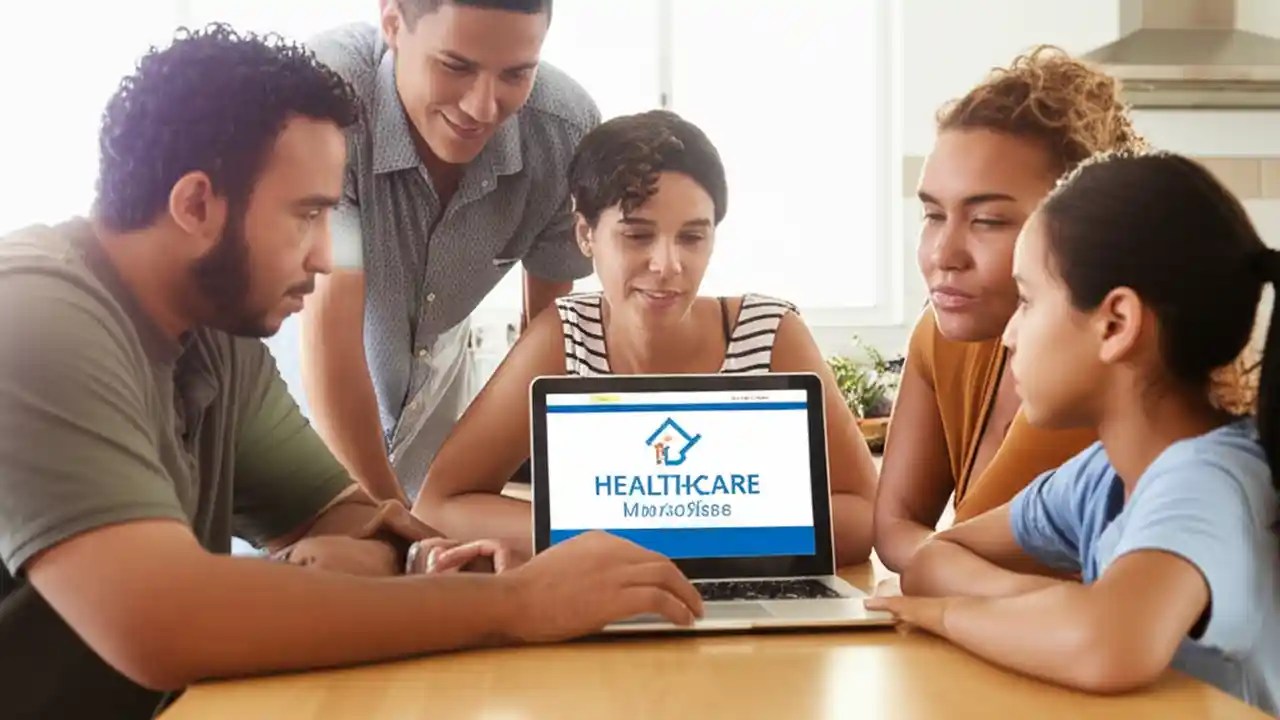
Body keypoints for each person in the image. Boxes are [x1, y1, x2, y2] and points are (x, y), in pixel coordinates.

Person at [0, 27, 699, 720]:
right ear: (195, 206)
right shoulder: (30, 317)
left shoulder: (213, 334)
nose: (324, 258)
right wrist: (515, 602)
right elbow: (159, 621)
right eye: (307, 216)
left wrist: (417, 563)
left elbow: (355, 523)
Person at [867, 151, 1280, 713]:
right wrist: (1055, 605)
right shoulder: (1102, 477)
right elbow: (932, 561)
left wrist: (945, 616)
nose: (1010, 334)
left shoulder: (1209, 479)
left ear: (1115, 324)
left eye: (1028, 302)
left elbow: (1107, 645)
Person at [413, 110, 880, 566]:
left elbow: (864, 515)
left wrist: (657, 531)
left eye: (692, 238)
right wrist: (629, 537)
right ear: (585, 235)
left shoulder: (772, 335)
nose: (667, 266)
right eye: (637, 236)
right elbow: (439, 507)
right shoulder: (566, 337)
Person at [300, 0, 600, 507]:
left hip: (433, 418)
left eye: (516, 74)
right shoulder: (325, 100)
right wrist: (393, 522)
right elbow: (332, 333)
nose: (483, 108)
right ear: (393, 24)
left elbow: (547, 339)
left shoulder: (563, 134)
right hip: (302, 414)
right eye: (455, 67)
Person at [871, 46, 1144, 572]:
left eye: (988, 221)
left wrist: (940, 568)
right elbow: (894, 528)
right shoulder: (942, 333)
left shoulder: (1099, 359)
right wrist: (944, 567)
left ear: (1081, 230)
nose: (942, 256)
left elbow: (971, 555)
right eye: (932, 214)